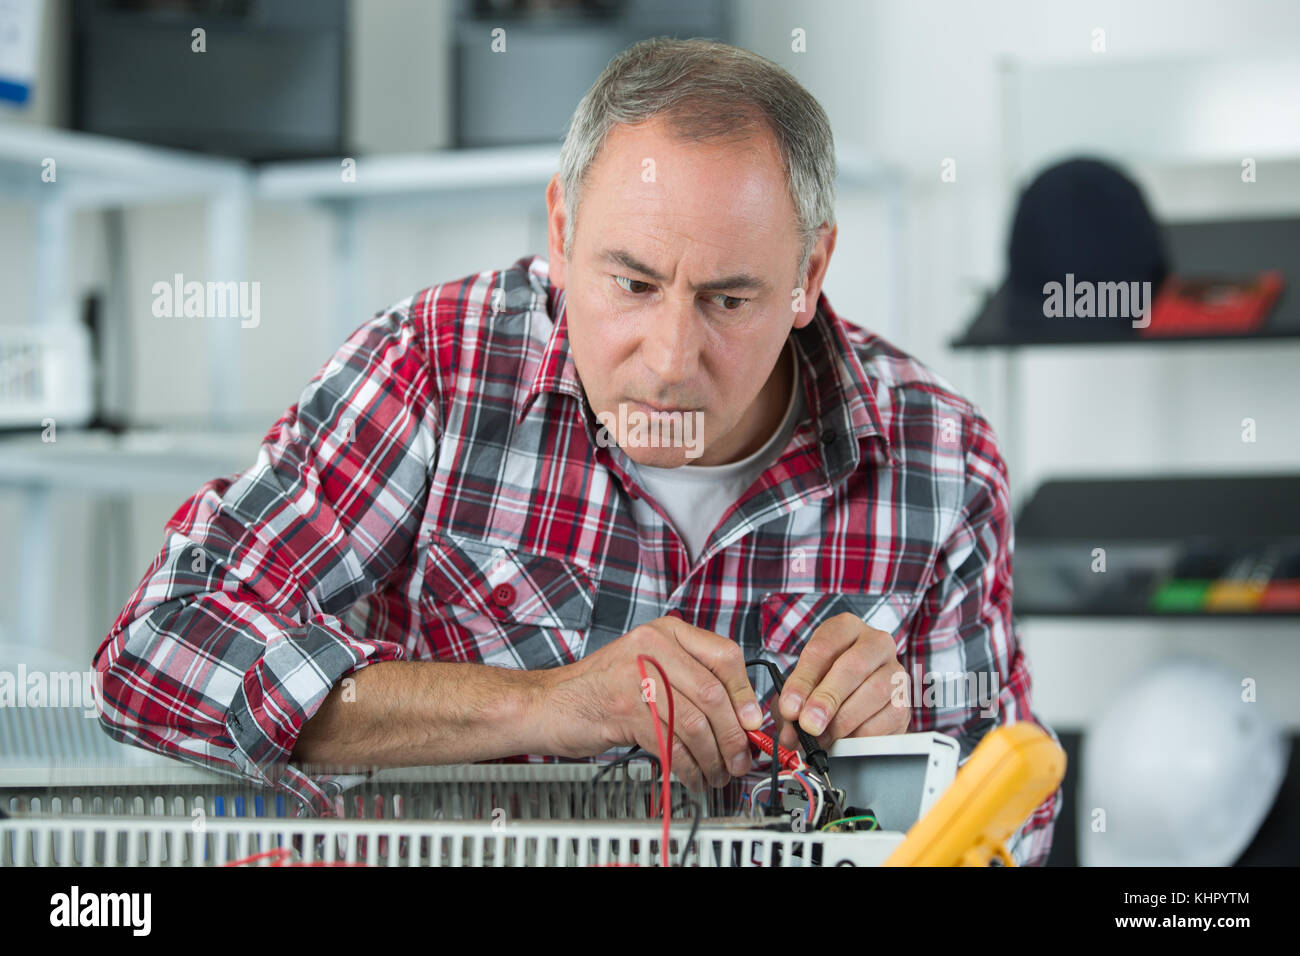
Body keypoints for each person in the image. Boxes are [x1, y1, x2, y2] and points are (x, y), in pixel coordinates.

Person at [92, 37, 1061, 864]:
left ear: (809, 272)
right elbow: (155, 651)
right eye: (632, 284)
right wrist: (545, 705)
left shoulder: (940, 458)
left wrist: (908, 740)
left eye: (728, 299)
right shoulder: (435, 367)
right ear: (560, 232)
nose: (670, 360)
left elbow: (1020, 810)